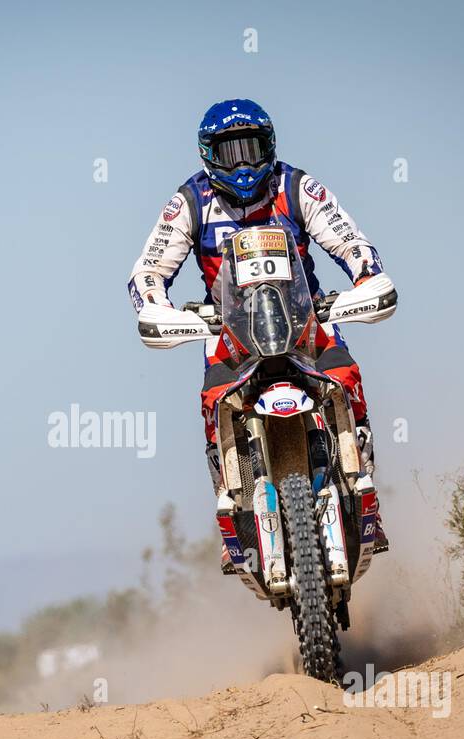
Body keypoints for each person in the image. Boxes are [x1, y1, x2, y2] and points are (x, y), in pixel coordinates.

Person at [128, 98, 392, 555]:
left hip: (305, 321)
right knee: (214, 401)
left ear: (269, 146)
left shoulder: (296, 186)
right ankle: (234, 506)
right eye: (230, 152)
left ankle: (363, 489)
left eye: (251, 148)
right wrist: (157, 305)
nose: (243, 163)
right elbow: (147, 270)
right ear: (209, 155)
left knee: (347, 378)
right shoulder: (189, 201)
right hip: (229, 332)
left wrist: (365, 275)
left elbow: (350, 239)